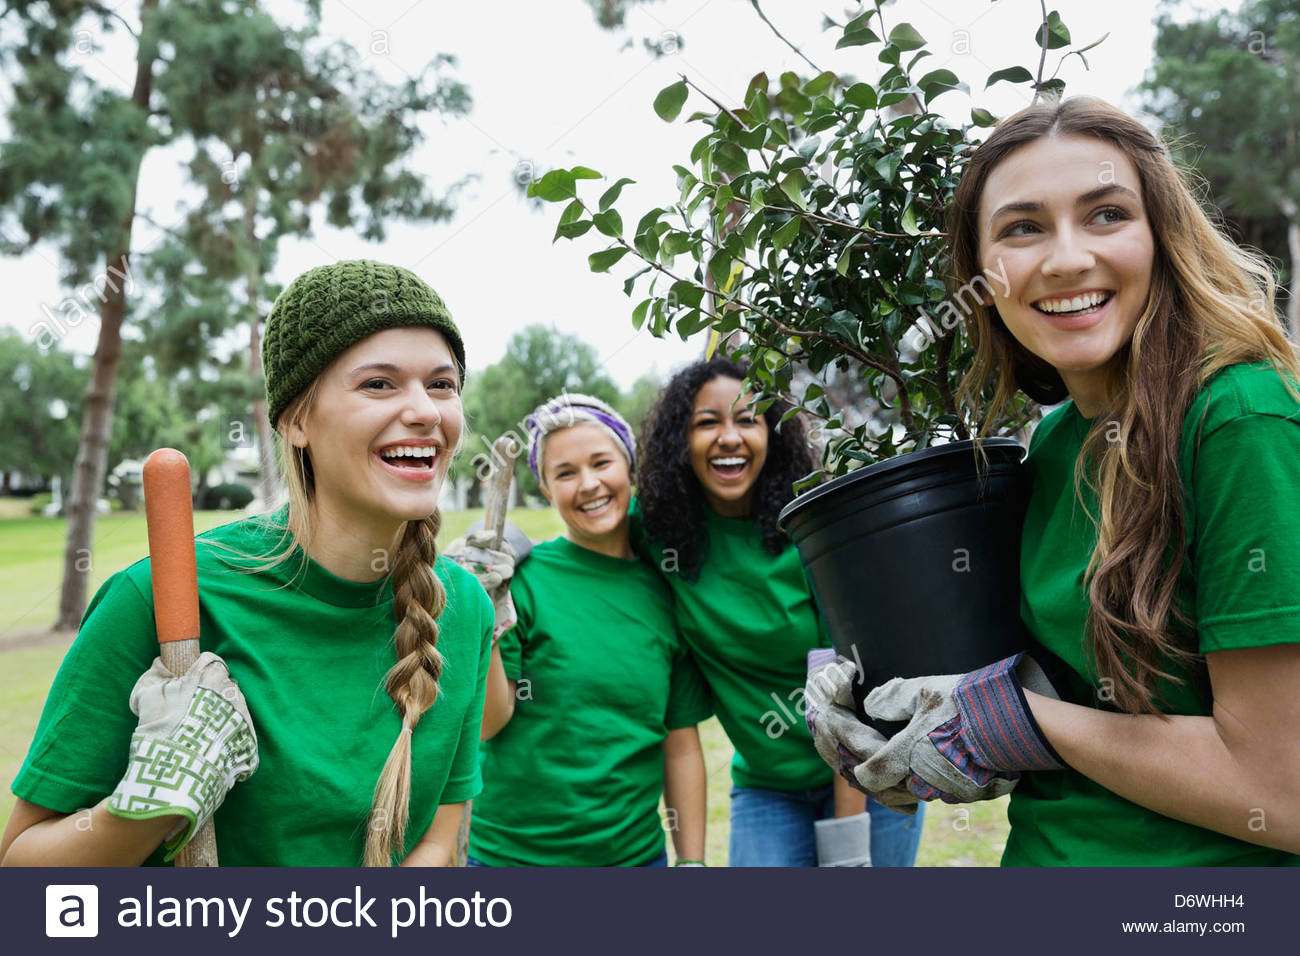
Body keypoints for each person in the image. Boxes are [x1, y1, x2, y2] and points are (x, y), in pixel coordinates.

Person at [806, 96, 1300, 866]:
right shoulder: (1056, 443)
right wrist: (900, 731)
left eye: (1106, 214)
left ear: (1161, 236)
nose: (1066, 258)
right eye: (1023, 228)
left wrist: (1016, 720)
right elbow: (1084, 718)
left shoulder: (1236, 418)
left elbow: (1283, 791)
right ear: (981, 276)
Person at [0, 260, 493, 867]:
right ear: (296, 420)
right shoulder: (159, 599)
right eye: (379, 384)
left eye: (442, 385)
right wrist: (145, 807)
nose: (425, 411)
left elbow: (440, 838)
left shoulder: (462, 607)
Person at [635, 359, 925, 867]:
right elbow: (589, 532)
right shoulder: (661, 531)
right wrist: (513, 551)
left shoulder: (812, 529)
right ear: (680, 441)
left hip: (872, 768)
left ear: (772, 434)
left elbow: (849, 694)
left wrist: (848, 844)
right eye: (708, 422)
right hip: (769, 787)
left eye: (748, 419)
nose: (729, 437)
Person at [455, 394, 711, 867]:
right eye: (566, 473)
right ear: (547, 491)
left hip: (636, 862)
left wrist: (692, 862)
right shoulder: (521, 581)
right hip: (513, 863)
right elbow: (490, 723)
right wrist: (486, 615)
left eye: (601, 463)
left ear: (630, 469)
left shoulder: (665, 590)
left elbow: (679, 744)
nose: (589, 484)